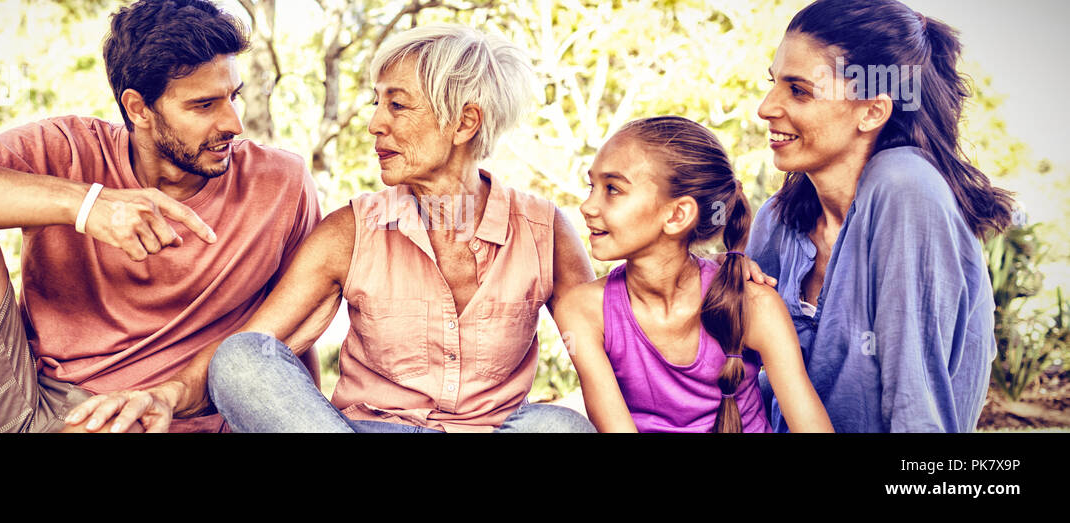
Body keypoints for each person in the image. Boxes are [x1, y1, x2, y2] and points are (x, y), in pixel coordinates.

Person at [0, 0, 322, 433]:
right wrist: (85, 205)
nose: (233, 122)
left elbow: (290, 329)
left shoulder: (282, 182)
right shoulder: (65, 149)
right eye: (204, 105)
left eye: (233, 96)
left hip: (159, 417)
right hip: (25, 405)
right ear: (139, 108)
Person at [69, 23, 605, 433]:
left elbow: (598, 357)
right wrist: (167, 394)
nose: (375, 123)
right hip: (364, 428)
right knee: (240, 359)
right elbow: (252, 349)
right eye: (377, 103)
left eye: (397, 105)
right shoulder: (352, 231)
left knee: (558, 425)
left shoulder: (544, 231)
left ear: (464, 123)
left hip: (490, 430)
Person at [749, 0, 1014, 432]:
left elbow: (916, 412)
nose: (765, 107)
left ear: (872, 110)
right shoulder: (778, 221)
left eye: (798, 90)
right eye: (773, 83)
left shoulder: (906, 188)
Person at [554, 116, 832, 433]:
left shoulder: (755, 303)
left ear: (677, 215)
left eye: (613, 189)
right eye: (592, 187)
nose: (587, 206)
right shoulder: (583, 311)